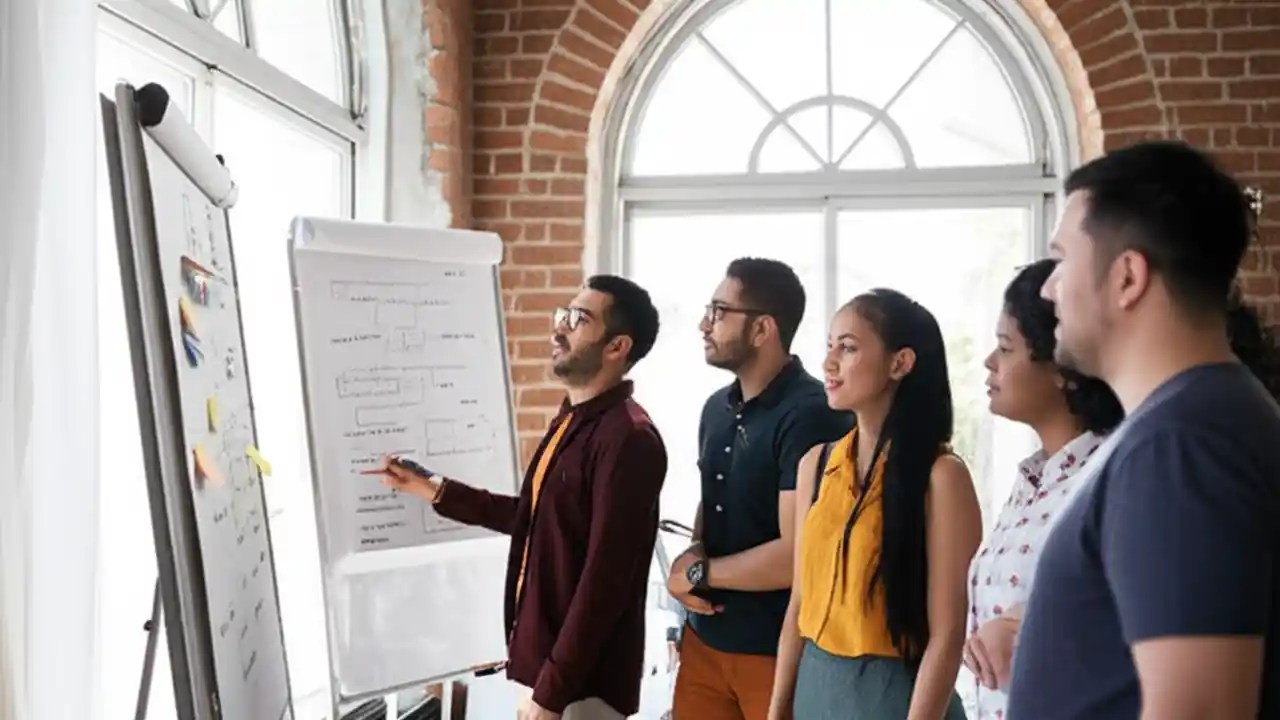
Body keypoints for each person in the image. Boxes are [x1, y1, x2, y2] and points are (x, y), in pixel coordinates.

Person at [1008, 140, 1280, 719]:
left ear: (1127, 276)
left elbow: (1200, 711)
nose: (1049, 288)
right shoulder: (1191, 423)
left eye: (1062, 261)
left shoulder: (1181, 445)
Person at [374, 275, 666, 720]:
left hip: (581, 691)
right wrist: (434, 489)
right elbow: (535, 518)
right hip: (548, 675)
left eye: (579, 319)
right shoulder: (573, 419)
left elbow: (604, 583)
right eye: (563, 315)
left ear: (616, 347)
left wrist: (551, 692)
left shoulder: (629, 438)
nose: (560, 328)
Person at [769, 288, 981, 720]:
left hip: (897, 699)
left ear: (900, 362)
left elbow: (948, 634)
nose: (829, 362)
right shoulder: (816, 464)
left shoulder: (942, 476)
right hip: (815, 687)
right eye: (829, 346)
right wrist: (776, 712)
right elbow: (798, 604)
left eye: (847, 348)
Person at [667, 258, 852, 719]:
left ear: (763, 328)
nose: (703, 324)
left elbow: (797, 555)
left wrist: (698, 573)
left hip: (776, 650)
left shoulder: (811, 413)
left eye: (719, 311)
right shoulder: (715, 408)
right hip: (704, 642)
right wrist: (693, 551)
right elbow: (713, 496)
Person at [961, 259, 1124, 718]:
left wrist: (1028, 626)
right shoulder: (1033, 479)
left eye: (1005, 348)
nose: (989, 362)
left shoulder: (1108, 476)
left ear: (1062, 368)